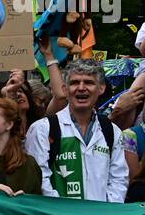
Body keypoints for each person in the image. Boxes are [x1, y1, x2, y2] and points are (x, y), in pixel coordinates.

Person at [26, 60, 129, 203]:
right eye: (74, 83)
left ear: (101, 88)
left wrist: (106, 214)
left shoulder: (111, 131)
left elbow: (119, 179)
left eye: (89, 82)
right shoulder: (42, 129)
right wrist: (64, 214)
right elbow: (39, 178)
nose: (81, 88)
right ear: (64, 89)